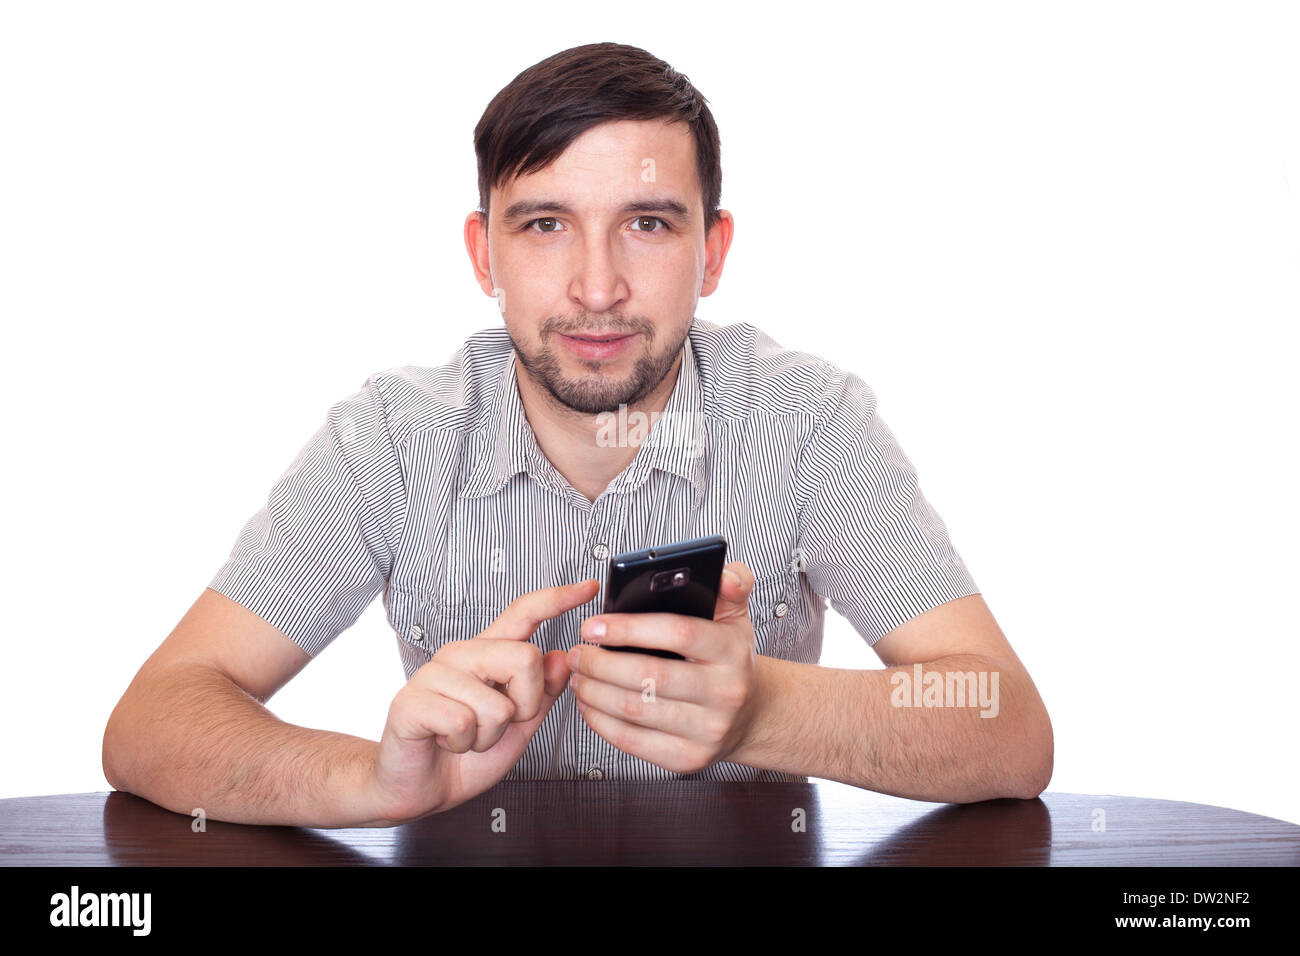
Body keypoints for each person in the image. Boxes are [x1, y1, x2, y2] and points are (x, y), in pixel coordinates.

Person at [103, 42, 1052, 828]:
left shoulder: (806, 424)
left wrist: (761, 710)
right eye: (546, 224)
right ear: (485, 255)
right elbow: (154, 720)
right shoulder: (389, 442)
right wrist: (372, 782)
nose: (597, 289)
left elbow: (1007, 731)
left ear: (711, 253)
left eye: (646, 223)